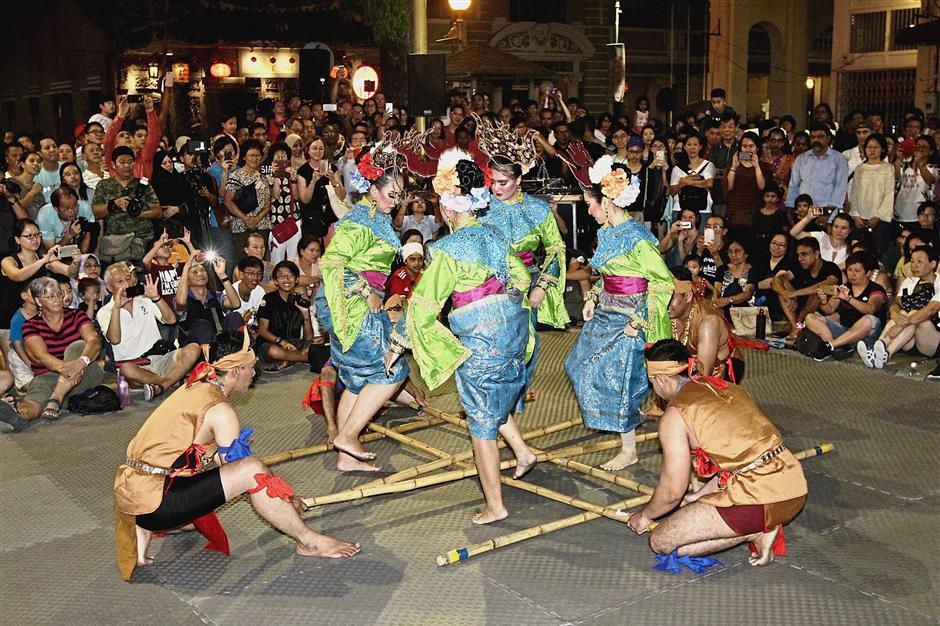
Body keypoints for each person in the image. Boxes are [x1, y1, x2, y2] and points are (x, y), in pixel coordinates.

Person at [113, 330, 359, 581]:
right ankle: (309, 541)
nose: (255, 373)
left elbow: (209, 459)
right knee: (251, 468)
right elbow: (245, 474)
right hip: (158, 502)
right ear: (234, 372)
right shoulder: (220, 410)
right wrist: (287, 498)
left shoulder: (196, 385)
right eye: (250, 367)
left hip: (134, 493)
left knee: (195, 517)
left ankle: (143, 527)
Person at [385, 151, 537, 524]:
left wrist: (396, 343)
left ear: (449, 207)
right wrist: (505, 306)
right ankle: (523, 452)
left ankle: (495, 505)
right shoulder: (493, 235)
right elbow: (521, 277)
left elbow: (423, 304)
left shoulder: (447, 250)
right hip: (511, 328)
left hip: (480, 333)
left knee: (480, 420)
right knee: (494, 393)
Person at [627, 339, 807, 568]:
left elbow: (673, 491)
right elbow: (740, 458)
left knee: (662, 541)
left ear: (661, 379)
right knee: (694, 504)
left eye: (653, 383)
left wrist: (645, 516)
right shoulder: (725, 387)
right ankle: (761, 524)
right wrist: (700, 495)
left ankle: (758, 532)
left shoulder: (675, 416)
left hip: (760, 497)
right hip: (794, 486)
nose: (655, 390)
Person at [565, 156, 673, 470]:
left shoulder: (638, 238)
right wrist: (592, 298)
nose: (588, 210)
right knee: (577, 365)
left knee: (618, 378)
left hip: (630, 318)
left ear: (608, 202)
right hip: (605, 314)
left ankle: (629, 448)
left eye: (590, 204)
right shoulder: (608, 235)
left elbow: (662, 282)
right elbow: (606, 277)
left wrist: (639, 319)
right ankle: (624, 418)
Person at [315, 137, 411, 472]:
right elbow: (331, 263)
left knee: (356, 381)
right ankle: (349, 436)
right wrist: (365, 290)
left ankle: (346, 457)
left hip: (361, 307)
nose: (394, 200)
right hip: (356, 310)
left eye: (399, 194)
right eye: (390, 193)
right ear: (373, 188)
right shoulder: (359, 220)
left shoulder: (375, 217)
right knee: (393, 370)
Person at [475, 120, 570, 420]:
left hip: (524, 286)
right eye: (493, 181)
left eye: (503, 182)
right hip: (486, 284)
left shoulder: (537, 210)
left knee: (523, 344)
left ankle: (511, 406)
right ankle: (490, 403)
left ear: (519, 178)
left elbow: (556, 248)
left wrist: (542, 285)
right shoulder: (481, 207)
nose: (496, 188)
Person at [98, 264, 202, 401]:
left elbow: (171, 320)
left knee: (193, 348)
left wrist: (156, 297)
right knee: (126, 370)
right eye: (120, 281)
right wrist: (117, 308)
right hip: (136, 367)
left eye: (128, 278)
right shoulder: (105, 312)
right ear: (110, 287)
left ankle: (161, 386)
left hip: (161, 359)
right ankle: (171, 381)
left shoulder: (145, 300)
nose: (127, 284)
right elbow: (115, 339)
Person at [19, 276, 104, 423]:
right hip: (48, 375)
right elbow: (42, 356)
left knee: (78, 346)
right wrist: (70, 369)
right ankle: (18, 414)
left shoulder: (77, 315)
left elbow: (94, 341)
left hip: (84, 372)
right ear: (38, 301)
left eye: (59, 294)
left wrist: (81, 363)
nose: (57, 299)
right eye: (51, 296)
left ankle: (56, 398)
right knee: (33, 405)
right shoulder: (30, 325)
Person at [860, 246, 939, 368]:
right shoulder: (909, 282)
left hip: (931, 339)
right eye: (912, 261)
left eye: (920, 261)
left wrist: (899, 325)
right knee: (901, 312)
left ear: (933, 263)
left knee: (915, 314)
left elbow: (930, 310)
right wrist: (895, 315)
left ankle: (887, 353)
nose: (914, 265)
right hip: (908, 339)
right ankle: (878, 350)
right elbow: (896, 304)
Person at [805, 252, 887, 361]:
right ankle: (834, 347)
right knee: (810, 318)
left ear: (868, 273)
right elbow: (829, 310)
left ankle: (831, 346)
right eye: (849, 270)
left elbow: (871, 309)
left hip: (868, 335)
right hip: (845, 330)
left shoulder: (876, 290)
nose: (852, 274)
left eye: (857, 271)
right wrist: (824, 302)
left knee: (869, 320)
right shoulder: (845, 288)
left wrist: (849, 299)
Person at [1, 219, 77, 332]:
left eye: (37, 235)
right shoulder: (8, 260)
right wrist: (43, 261)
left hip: (36, 316)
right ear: (17, 239)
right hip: (9, 316)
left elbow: (69, 272)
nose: (35, 239)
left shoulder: (44, 258)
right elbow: (18, 276)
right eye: (29, 236)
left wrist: (76, 262)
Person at [669, 267, 742, 381]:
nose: (665, 303)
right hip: (684, 366)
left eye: (670, 297)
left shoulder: (708, 322)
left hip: (719, 369)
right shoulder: (665, 312)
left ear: (688, 296)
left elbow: (703, 374)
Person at [92, 146, 161, 262]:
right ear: (113, 165)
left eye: (130, 162)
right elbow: (95, 213)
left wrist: (138, 214)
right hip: (116, 242)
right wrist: (113, 204)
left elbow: (158, 212)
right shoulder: (104, 185)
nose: (127, 166)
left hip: (143, 238)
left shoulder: (143, 185)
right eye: (122, 162)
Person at [254, 260, 324, 371]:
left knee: (319, 340)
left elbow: (308, 338)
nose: (286, 280)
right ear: (276, 281)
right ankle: (306, 357)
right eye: (281, 276)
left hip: (293, 343)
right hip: (271, 343)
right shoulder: (269, 299)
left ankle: (291, 358)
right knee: (273, 351)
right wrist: (281, 341)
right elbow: (262, 330)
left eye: (290, 276)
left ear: (296, 280)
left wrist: (306, 315)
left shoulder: (299, 300)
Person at [772, 237, 843, 337]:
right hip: (798, 307)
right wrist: (785, 294)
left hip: (822, 311)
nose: (800, 258)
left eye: (804, 254)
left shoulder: (831, 268)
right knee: (781, 285)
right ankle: (795, 327)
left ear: (816, 254)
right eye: (798, 255)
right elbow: (775, 281)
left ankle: (799, 324)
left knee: (818, 292)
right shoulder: (799, 266)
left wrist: (795, 293)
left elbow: (826, 285)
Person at [174, 254, 243, 345]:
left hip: (218, 342)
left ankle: (241, 351)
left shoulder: (216, 295)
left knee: (235, 316)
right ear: (187, 279)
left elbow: (236, 304)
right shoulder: (183, 298)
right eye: (194, 272)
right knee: (200, 324)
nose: (200, 274)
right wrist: (186, 267)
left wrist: (222, 275)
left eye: (203, 270)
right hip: (195, 346)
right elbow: (181, 302)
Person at [847, 134, 894, 254]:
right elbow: (854, 193)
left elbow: (889, 194)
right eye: (869, 147)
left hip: (880, 219)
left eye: (876, 147)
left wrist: (878, 216)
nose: (872, 150)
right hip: (860, 219)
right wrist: (856, 215)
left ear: (882, 149)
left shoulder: (888, 168)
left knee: (877, 252)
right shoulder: (860, 168)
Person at [785, 123, 849, 210]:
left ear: (828, 138)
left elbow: (840, 187)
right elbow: (794, 186)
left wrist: (828, 212)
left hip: (827, 212)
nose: (816, 140)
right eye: (813, 137)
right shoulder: (801, 159)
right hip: (803, 212)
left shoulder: (839, 159)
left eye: (820, 137)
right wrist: (791, 207)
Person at [223, 139, 271, 252]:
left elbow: (267, 204)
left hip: (262, 227)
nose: (255, 159)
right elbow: (228, 201)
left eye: (257, 155)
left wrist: (257, 219)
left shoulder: (263, 178)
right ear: (244, 157)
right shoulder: (236, 176)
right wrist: (246, 219)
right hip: (241, 227)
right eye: (251, 155)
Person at [723, 134, 771, 232]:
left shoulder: (765, 167)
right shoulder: (733, 165)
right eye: (744, 146)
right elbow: (728, 186)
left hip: (756, 211)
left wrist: (757, 166)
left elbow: (762, 187)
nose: (748, 149)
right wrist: (733, 168)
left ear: (757, 148)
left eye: (751, 146)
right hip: (735, 211)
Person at [669, 132, 715, 217]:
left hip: (703, 210)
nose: (692, 147)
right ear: (685, 147)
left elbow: (709, 183)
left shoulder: (708, 165)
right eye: (689, 144)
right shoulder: (677, 168)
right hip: (680, 209)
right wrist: (682, 183)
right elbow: (672, 191)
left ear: (700, 147)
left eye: (695, 144)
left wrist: (686, 182)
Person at [711, 239, 757, 321]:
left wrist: (728, 300)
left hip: (746, 314)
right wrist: (716, 302)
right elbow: (717, 290)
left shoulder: (752, 271)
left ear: (746, 254)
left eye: (737, 251)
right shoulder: (722, 269)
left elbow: (748, 294)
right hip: (723, 311)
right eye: (730, 251)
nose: (733, 255)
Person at [384, 241, 424, 319]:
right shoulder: (398, 276)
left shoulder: (424, 275)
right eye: (412, 259)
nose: (417, 263)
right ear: (405, 261)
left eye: (420, 259)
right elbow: (401, 303)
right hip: (397, 314)